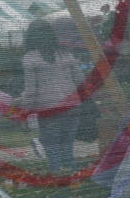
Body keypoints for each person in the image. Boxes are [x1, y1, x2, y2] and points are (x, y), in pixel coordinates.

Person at [19, 19, 84, 173]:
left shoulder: (30, 58)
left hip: (49, 108)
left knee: (52, 145)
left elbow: (31, 91)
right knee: (67, 144)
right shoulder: (66, 54)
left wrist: (24, 111)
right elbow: (81, 80)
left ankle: (56, 176)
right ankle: (73, 174)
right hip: (72, 105)